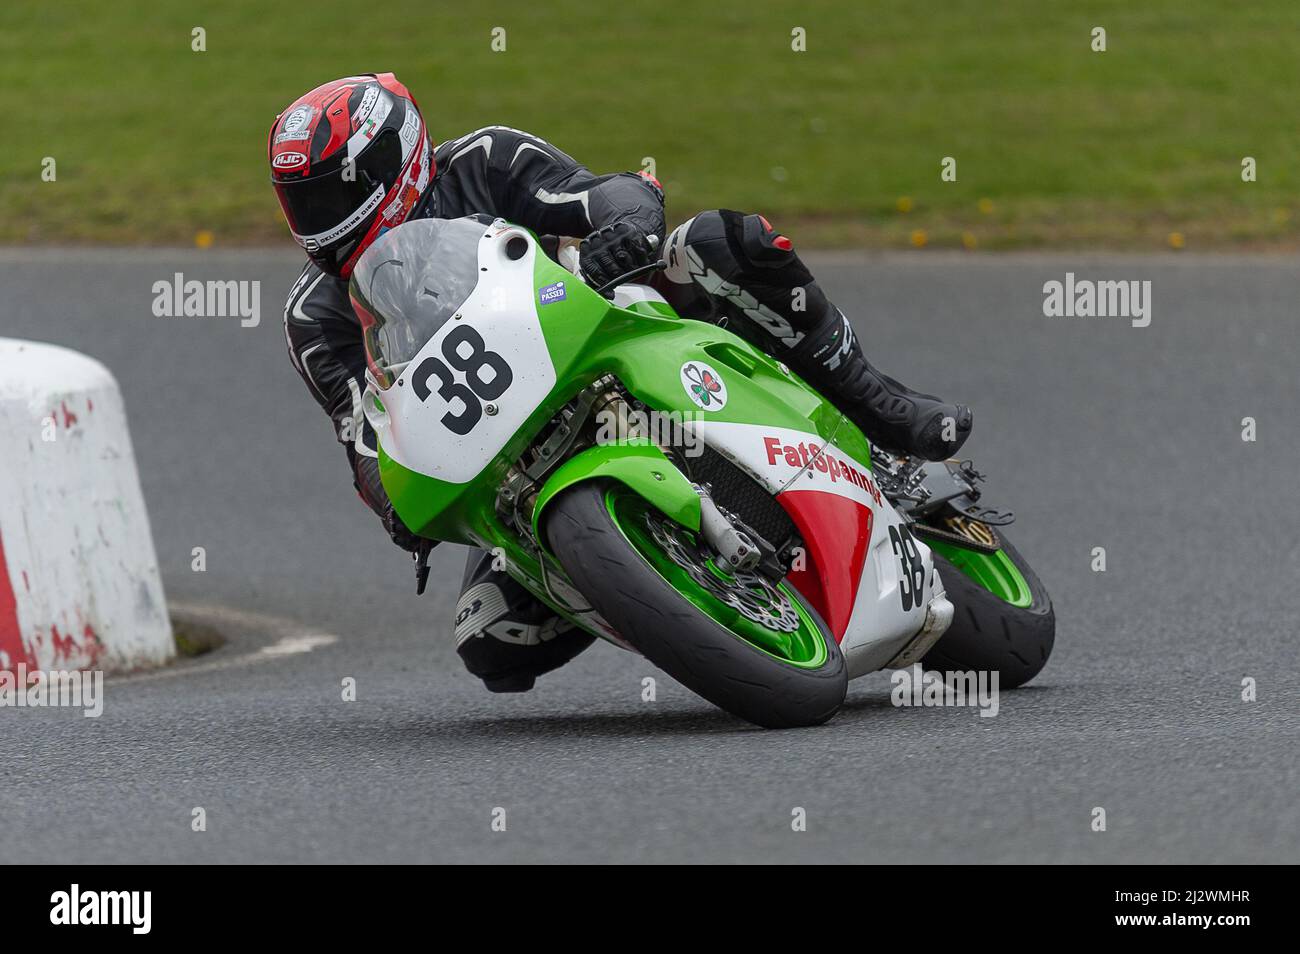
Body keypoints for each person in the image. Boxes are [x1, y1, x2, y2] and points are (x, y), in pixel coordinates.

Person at [270, 73, 972, 693]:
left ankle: (880, 412)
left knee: (720, 245)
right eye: (302, 203)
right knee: (490, 642)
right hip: (505, 462)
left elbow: (604, 192)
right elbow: (360, 430)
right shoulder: (312, 317)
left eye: (334, 193)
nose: (321, 219)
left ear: (394, 160)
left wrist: (626, 225)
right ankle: (672, 585)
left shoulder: (484, 159)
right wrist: (390, 496)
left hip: (604, 332)